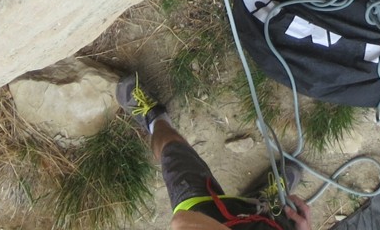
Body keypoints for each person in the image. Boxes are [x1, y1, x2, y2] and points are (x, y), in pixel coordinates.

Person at [118, 73, 313, 229]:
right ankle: (259, 200)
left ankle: (154, 119)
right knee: (174, 146)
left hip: (204, 214)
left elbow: (182, 222)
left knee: (172, 151)